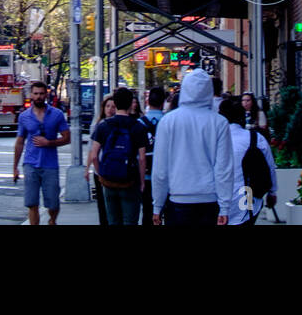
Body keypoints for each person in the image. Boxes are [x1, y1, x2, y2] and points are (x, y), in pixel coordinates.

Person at [151, 68, 233, 225]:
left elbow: (160, 169)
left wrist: (157, 205)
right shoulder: (219, 122)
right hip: (209, 198)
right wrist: (225, 207)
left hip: (178, 197)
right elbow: (223, 168)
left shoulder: (168, 121)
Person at [12, 81, 71, 225]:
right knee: (32, 203)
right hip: (30, 164)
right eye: (36, 94)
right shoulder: (24, 116)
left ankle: (52, 220)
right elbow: (20, 142)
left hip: (50, 164)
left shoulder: (56, 114)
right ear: (31, 95)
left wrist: (49, 143)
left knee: (53, 203)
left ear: (46, 94)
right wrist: (15, 167)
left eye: (41, 93)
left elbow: (67, 138)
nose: (38, 96)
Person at [88, 87, 147, 225]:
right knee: (130, 220)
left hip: (108, 181)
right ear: (130, 104)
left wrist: (101, 174)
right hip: (130, 181)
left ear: (116, 103)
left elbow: (94, 155)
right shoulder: (137, 127)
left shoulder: (103, 126)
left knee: (113, 220)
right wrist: (142, 182)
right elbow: (142, 158)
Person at [219, 97, 278, 225]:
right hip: (247, 198)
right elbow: (270, 165)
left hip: (218, 199)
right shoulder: (255, 138)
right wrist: (272, 192)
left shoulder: (213, 139)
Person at [138, 87, 166, 226]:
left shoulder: (139, 123)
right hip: (166, 176)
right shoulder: (169, 121)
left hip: (146, 175)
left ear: (148, 102)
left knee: (147, 212)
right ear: (163, 102)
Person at [87, 95, 116, 226]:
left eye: (113, 107)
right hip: (100, 171)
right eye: (107, 106)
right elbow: (92, 152)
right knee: (103, 206)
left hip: (113, 170)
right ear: (103, 108)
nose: (110, 109)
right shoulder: (98, 125)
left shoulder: (117, 125)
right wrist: (88, 169)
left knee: (111, 206)